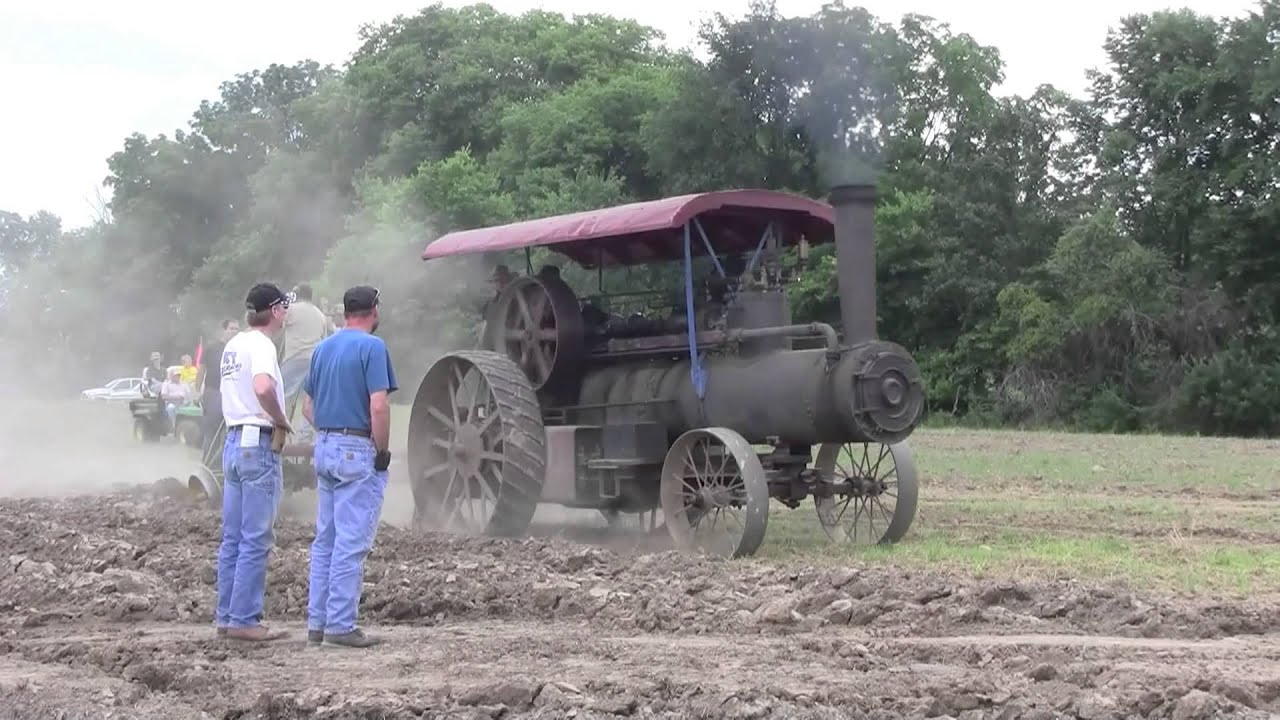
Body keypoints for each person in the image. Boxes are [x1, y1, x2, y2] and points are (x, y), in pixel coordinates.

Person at [302, 285, 397, 649]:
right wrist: (382, 450)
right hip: (356, 448)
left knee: (325, 539)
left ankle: (317, 622)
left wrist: (328, 434)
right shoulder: (373, 348)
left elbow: (308, 407)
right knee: (351, 541)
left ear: (345, 313)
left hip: (324, 445)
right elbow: (378, 406)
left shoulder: (323, 348)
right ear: (373, 310)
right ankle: (341, 625)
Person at [215, 283, 293, 642]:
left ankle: (227, 615)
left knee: (232, 538)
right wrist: (280, 419)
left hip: (232, 442)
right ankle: (245, 619)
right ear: (275, 310)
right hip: (256, 442)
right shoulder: (263, 345)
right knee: (256, 537)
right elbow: (263, 387)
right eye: (285, 307)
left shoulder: (233, 345)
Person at [282, 283, 333, 441]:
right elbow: (324, 340)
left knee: (281, 395)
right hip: (314, 361)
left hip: (294, 358)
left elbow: (278, 326)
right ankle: (306, 435)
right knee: (311, 398)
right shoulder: (319, 315)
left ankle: (277, 430)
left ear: (297, 294)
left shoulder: (291, 310)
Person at [195, 319, 240, 457]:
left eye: (237, 329)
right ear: (224, 330)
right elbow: (201, 370)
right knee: (212, 431)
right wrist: (197, 391)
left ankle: (224, 464)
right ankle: (207, 462)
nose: (234, 331)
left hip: (232, 394)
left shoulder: (239, 348)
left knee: (231, 431)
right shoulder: (212, 348)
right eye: (231, 328)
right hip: (214, 392)